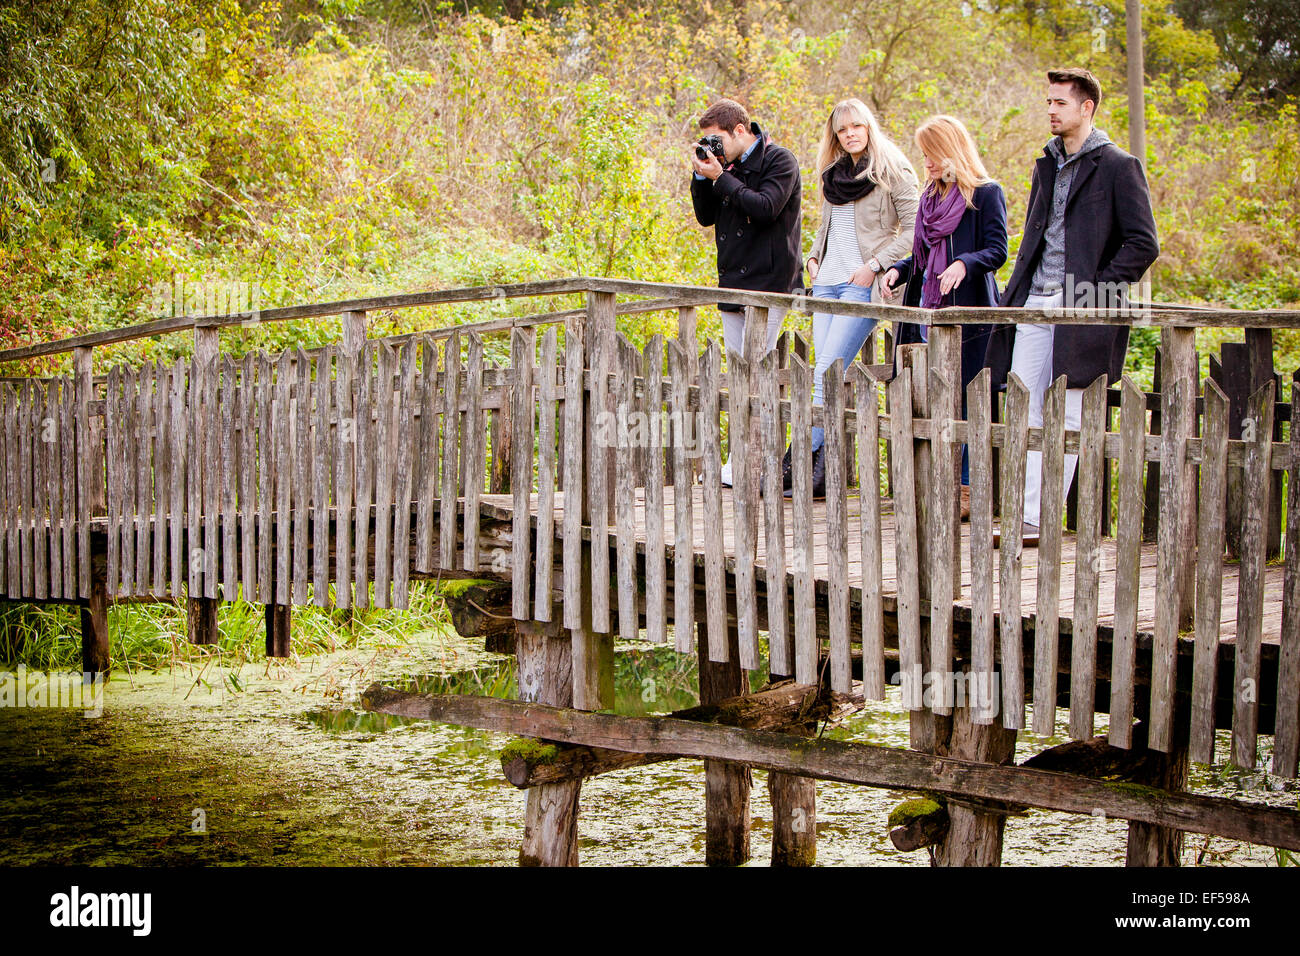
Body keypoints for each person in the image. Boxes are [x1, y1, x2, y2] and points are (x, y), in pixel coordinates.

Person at [985, 68, 1159, 546]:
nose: (1051, 110)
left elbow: (1143, 244)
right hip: (1033, 301)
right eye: (1048, 102)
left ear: (1087, 108)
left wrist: (1093, 291)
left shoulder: (1120, 166)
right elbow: (1037, 236)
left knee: (1073, 412)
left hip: (1082, 307)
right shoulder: (1045, 163)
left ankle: (1039, 520)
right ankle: (1022, 513)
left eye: (1060, 102)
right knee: (1024, 405)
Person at [881, 115, 1007, 520]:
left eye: (932, 156)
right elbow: (920, 255)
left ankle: (967, 489)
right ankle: (934, 483)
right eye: (925, 157)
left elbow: (997, 249)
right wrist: (900, 269)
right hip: (927, 312)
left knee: (969, 402)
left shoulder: (986, 195)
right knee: (934, 400)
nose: (928, 165)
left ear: (952, 149)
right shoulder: (929, 198)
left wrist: (965, 263)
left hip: (970, 315)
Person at [793, 98, 917, 497]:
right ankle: (818, 469)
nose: (849, 134)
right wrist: (812, 258)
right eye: (841, 129)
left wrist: (877, 264)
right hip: (827, 282)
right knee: (824, 374)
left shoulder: (893, 169)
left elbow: (916, 231)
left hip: (860, 284)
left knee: (827, 370)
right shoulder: (833, 174)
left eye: (856, 126)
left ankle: (799, 459)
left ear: (869, 126)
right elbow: (828, 224)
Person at [690, 98, 802, 487]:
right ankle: (744, 459)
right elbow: (706, 217)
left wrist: (721, 176)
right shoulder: (726, 167)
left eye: (716, 139)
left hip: (769, 283)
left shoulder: (780, 160)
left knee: (758, 372)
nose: (713, 148)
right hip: (732, 280)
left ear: (740, 130)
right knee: (740, 373)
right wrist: (702, 176)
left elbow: (766, 207)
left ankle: (754, 462)